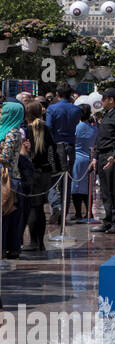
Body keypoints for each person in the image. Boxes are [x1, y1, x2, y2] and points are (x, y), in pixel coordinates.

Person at [92, 87, 115, 234]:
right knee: (105, 190)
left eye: (104, 99)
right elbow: (100, 138)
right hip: (102, 156)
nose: (102, 102)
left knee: (114, 190)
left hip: (111, 157)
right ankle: (107, 220)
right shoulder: (106, 115)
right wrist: (95, 157)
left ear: (111, 100)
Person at [46, 82, 79, 225]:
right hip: (70, 146)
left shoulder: (52, 109)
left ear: (58, 94)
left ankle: (56, 206)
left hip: (55, 146)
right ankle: (63, 214)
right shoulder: (76, 109)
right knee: (67, 181)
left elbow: (48, 128)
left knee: (52, 179)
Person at [23, 104, 54, 253]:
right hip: (46, 172)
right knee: (40, 207)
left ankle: (34, 242)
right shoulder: (46, 129)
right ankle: (40, 243)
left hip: (32, 172)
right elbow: (52, 150)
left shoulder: (26, 131)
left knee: (32, 208)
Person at [0, 102, 27, 260]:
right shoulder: (4, 131)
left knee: (9, 216)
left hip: (9, 179)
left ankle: (9, 247)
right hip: (4, 178)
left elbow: (5, 157)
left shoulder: (13, 133)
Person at [69, 105, 95, 223]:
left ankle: (78, 212)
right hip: (90, 158)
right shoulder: (94, 128)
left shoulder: (76, 127)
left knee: (76, 186)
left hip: (77, 158)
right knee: (88, 187)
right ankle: (89, 211)